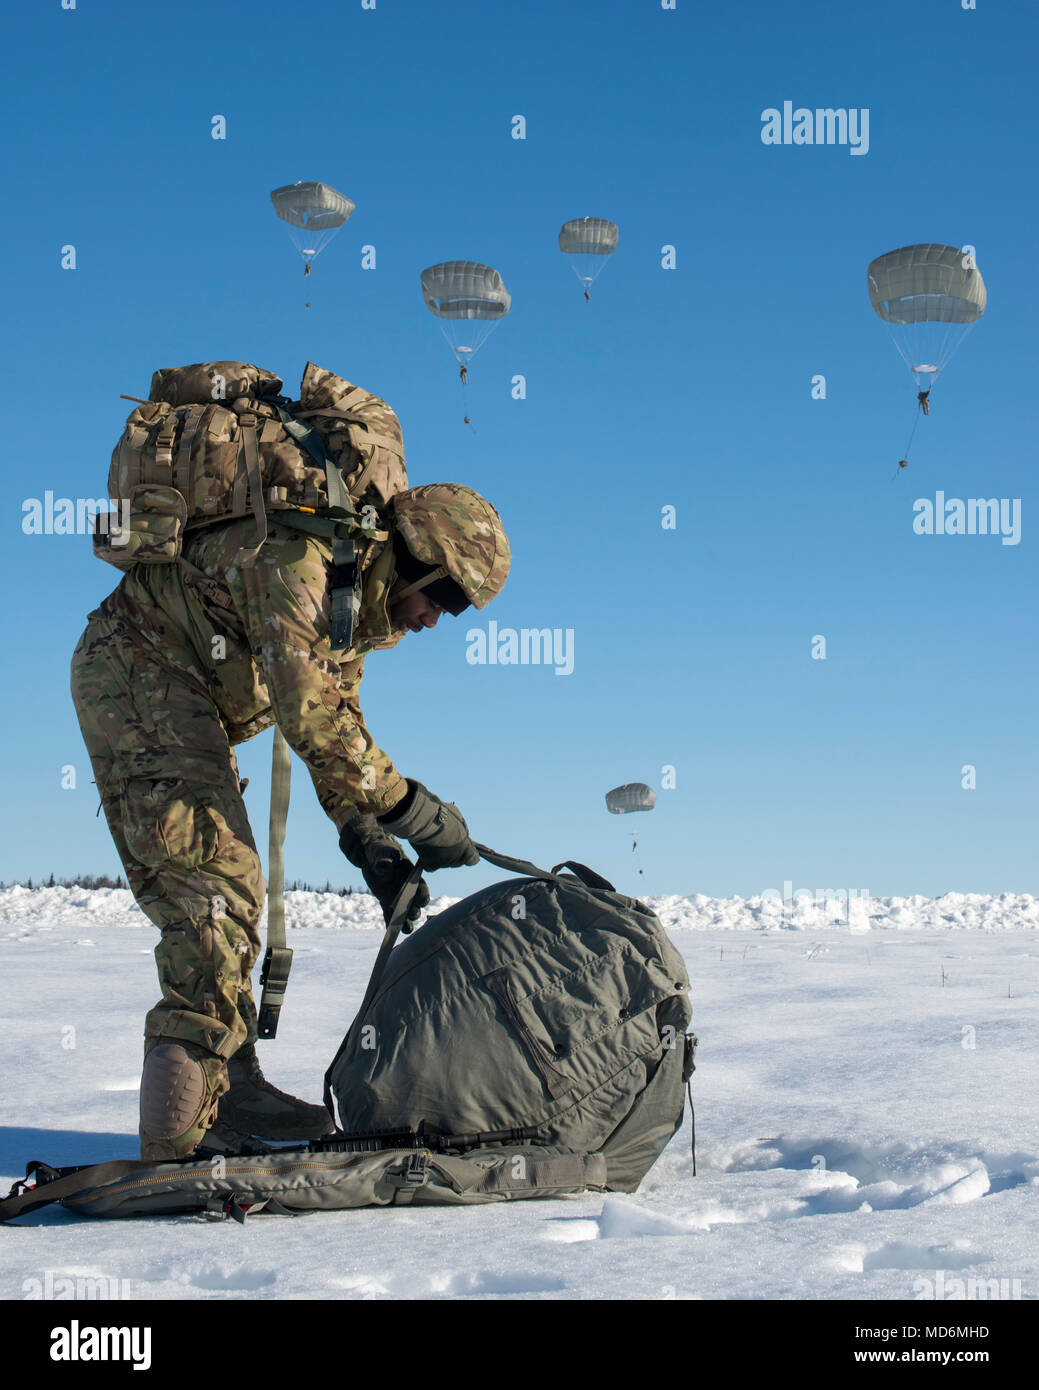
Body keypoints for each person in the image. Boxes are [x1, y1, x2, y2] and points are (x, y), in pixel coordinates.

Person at [71, 476, 510, 1161]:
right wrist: (414, 812)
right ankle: (177, 1133)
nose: (434, 620)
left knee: (229, 881)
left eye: (454, 611)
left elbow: (338, 718)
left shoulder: (356, 605)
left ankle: (231, 1087)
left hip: (186, 696)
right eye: (443, 595)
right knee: (213, 889)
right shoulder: (299, 561)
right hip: (136, 672)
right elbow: (309, 714)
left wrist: (367, 838)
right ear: (411, 557)